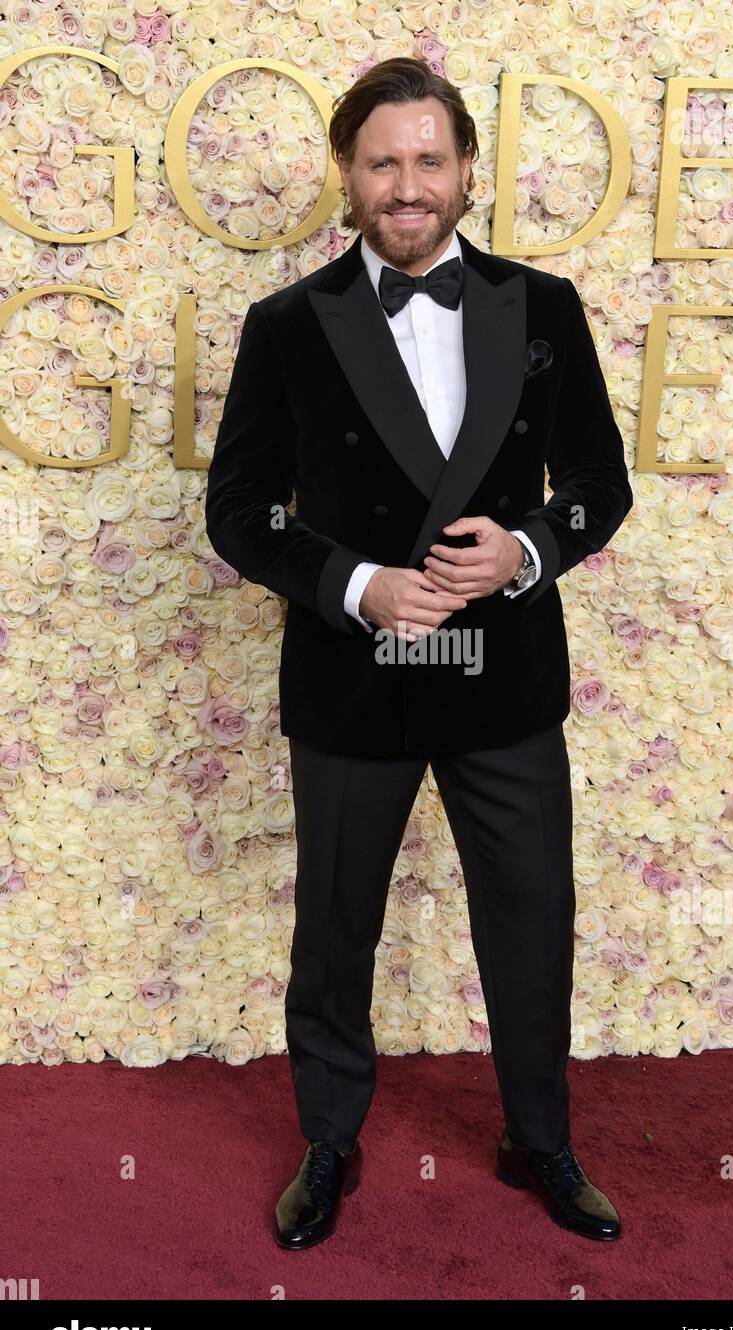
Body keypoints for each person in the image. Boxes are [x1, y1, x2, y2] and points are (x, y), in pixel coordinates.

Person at [205, 57, 634, 1251]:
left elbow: (597, 480)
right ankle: (328, 1141)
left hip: (505, 682)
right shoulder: (285, 326)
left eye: (428, 160)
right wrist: (358, 585)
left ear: (464, 169)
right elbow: (238, 511)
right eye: (382, 162)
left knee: (531, 920)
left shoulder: (542, 305)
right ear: (347, 175)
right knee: (334, 927)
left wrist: (526, 549)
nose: (407, 185)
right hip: (351, 687)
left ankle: (538, 1138)